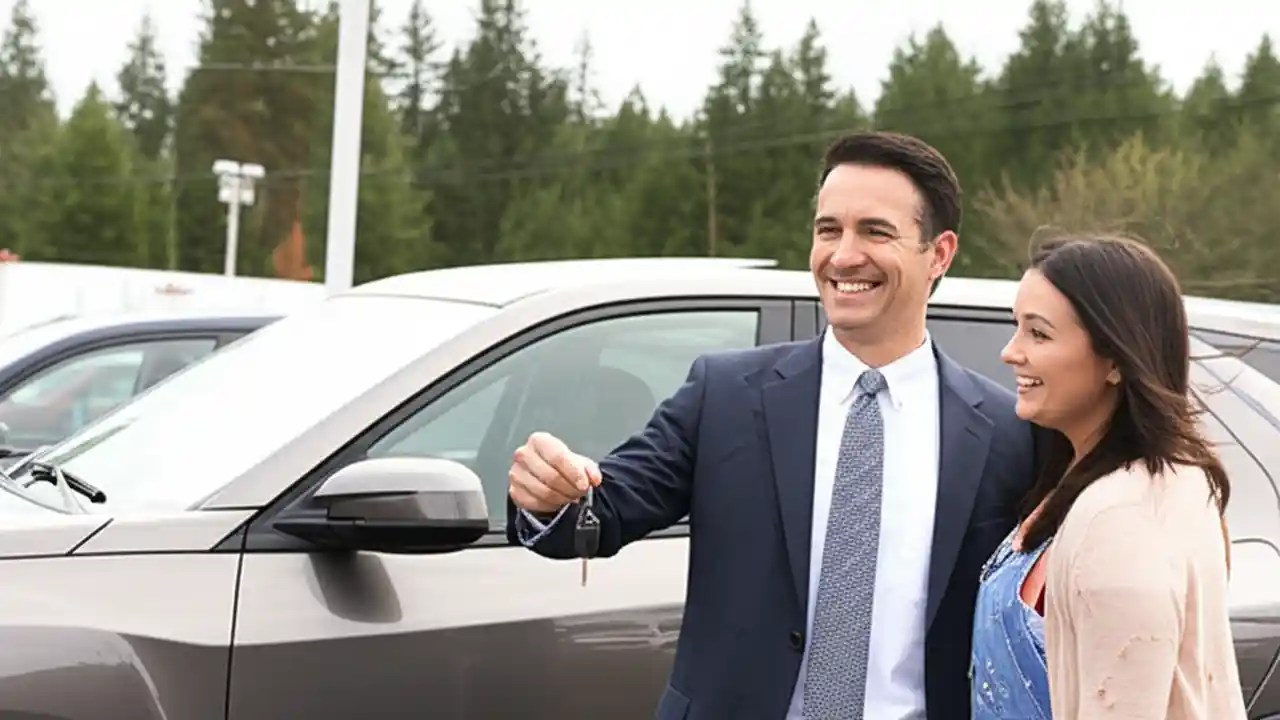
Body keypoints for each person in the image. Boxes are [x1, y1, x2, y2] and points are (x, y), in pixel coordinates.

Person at [506, 131, 1038, 719]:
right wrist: (550, 495)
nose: (843, 256)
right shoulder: (727, 397)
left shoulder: (1005, 433)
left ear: (939, 254)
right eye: (828, 229)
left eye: (875, 231)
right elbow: (597, 516)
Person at [971, 233, 1247, 719]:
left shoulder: (1123, 518)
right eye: (1017, 329)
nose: (1010, 353)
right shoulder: (1110, 482)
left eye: (1038, 334)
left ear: (1116, 359)